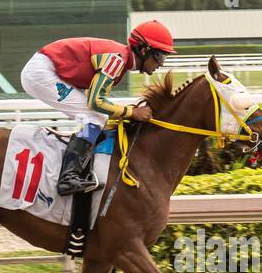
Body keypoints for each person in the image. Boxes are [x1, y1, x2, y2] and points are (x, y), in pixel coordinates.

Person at [19, 19, 176, 196]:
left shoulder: (120, 59)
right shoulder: (117, 60)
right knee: (95, 117)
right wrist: (132, 112)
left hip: (45, 69)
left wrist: (125, 112)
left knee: (97, 117)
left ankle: (77, 167)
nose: (161, 63)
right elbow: (96, 102)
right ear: (143, 50)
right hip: (41, 73)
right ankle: (68, 177)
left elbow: (94, 98)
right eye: (159, 56)